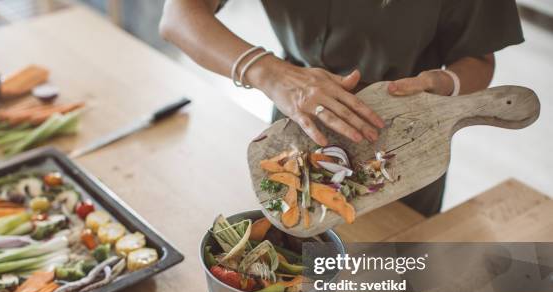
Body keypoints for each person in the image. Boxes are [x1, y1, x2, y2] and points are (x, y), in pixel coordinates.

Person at [159, 0, 524, 216]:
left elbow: (477, 56)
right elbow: (179, 15)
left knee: (390, 286)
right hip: (299, 124)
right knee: (299, 269)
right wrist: (271, 74)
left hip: (405, 141)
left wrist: (444, 86)